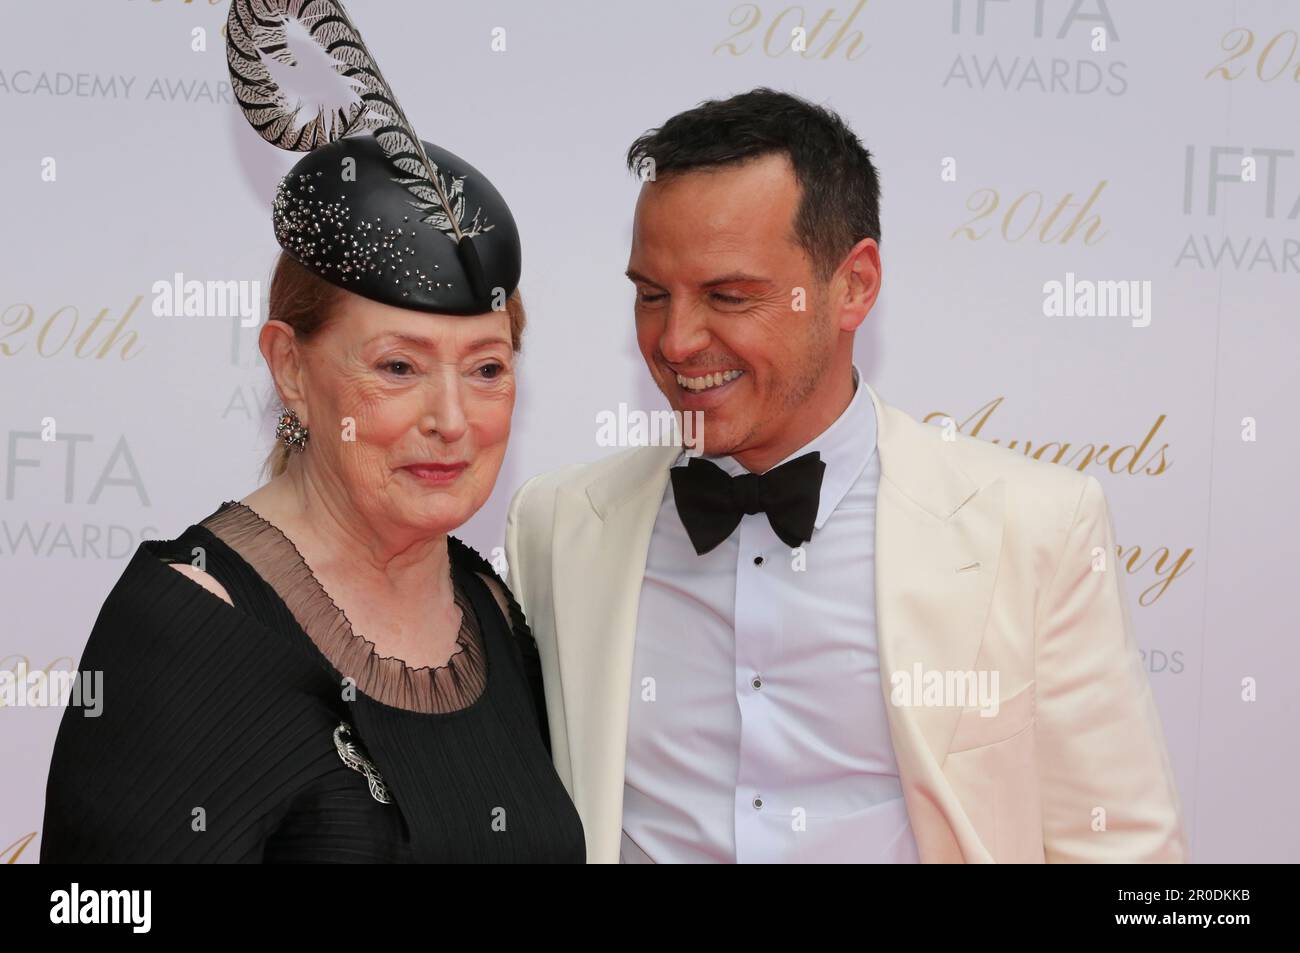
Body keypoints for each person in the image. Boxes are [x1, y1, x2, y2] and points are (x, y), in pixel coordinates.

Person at [505, 88, 1186, 863]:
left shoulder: (1035, 529)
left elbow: (1128, 852)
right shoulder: (556, 526)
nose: (677, 339)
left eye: (730, 296)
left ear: (854, 284)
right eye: (652, 295)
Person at [40, 0, 584, 863]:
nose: (451, 419)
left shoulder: (493, 610)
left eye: (486, 367)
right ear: (290, 367)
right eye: (400, 367)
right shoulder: (182, 631)